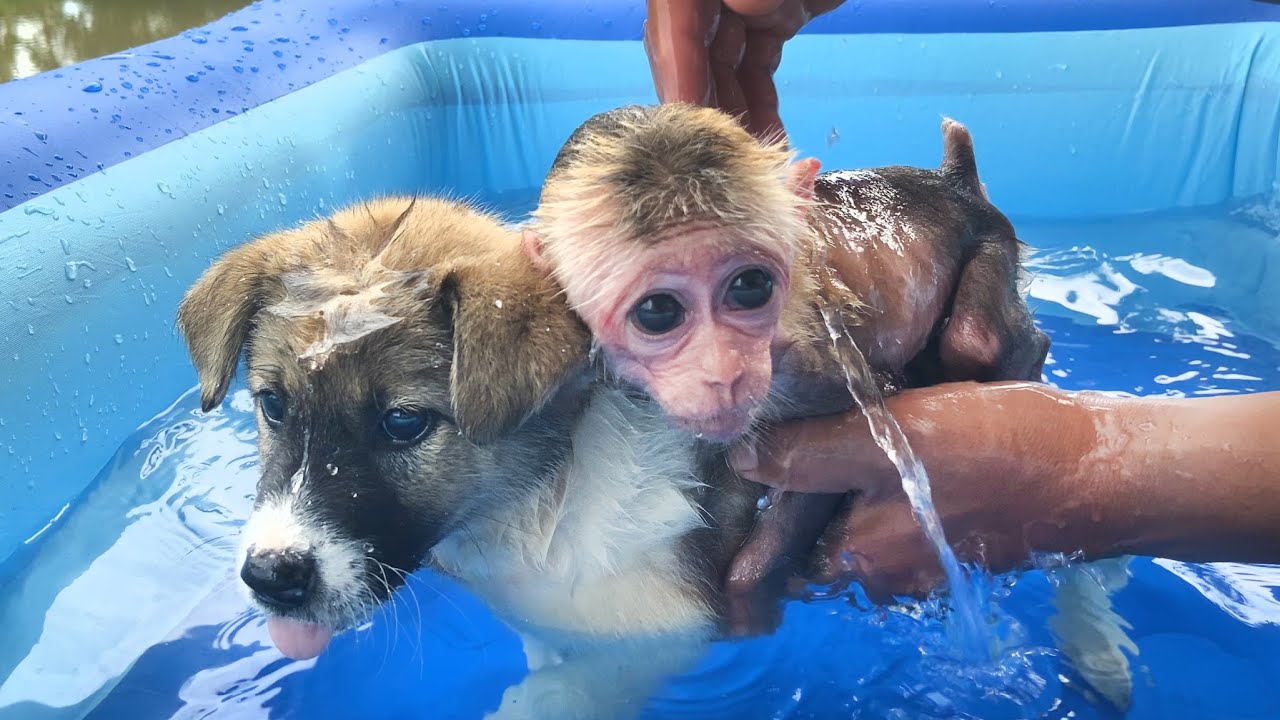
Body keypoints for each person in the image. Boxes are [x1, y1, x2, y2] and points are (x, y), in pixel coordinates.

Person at [644, 0, 1280, 622]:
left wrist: (1055, 460)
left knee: (974, 350)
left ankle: (1024, 386)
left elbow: (849, 415)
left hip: (963, 232)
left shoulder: (799, 321)